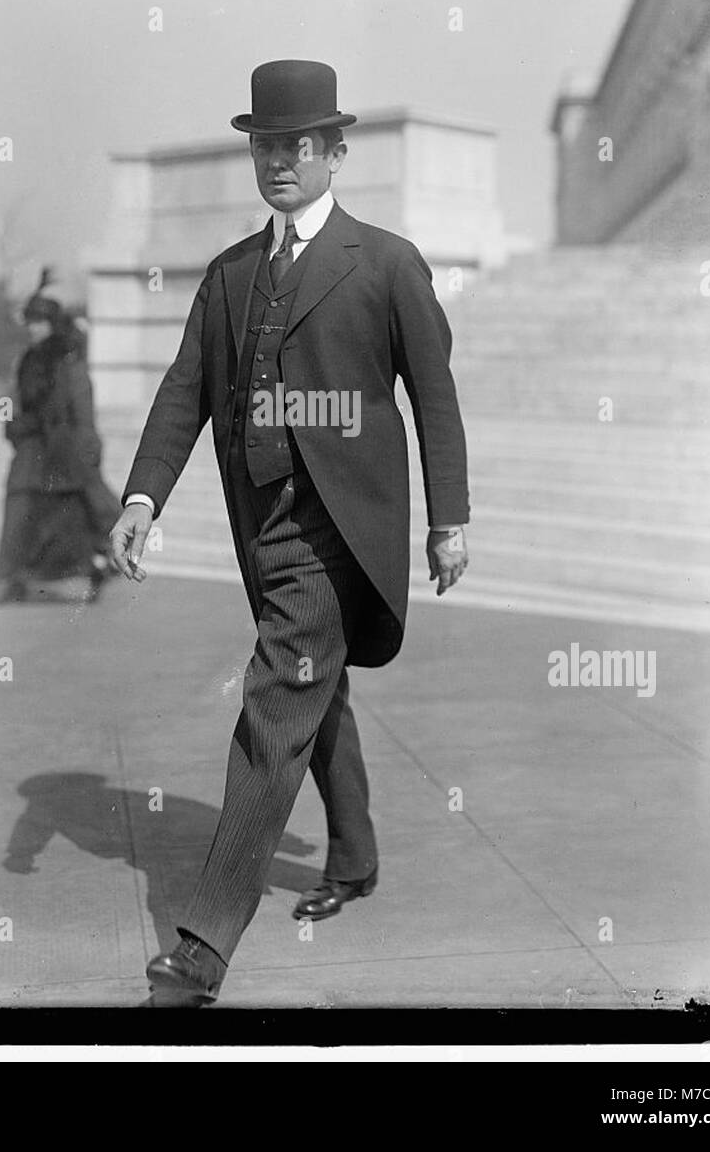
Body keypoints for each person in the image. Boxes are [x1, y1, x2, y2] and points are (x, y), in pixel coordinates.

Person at [110, 61, 470, 1005]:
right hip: (261, 526)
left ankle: (203, 949)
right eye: (267, 145)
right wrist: (143, 498)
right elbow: (184, 389)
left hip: (341, 531)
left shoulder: (385, 263)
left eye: (300, 145)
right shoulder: (232, 272)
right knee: (318, 686)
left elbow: (434, 398)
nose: (280, 161)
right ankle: (354, 855)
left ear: (336, 155)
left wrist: (450, 519)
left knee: (274, 713)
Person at [0, 271, 120, 605]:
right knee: (20, 509)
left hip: (64, 450)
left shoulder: (67, 359)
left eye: (40, 322)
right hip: (32, 448)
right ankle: (15, 576)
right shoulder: (27, 360)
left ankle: (92, 567)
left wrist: (86, 448)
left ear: (52, 324)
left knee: (70, 519)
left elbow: (82, 407)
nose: (33, 328)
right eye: (31, 322)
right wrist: (13, 425)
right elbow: (13, 401)